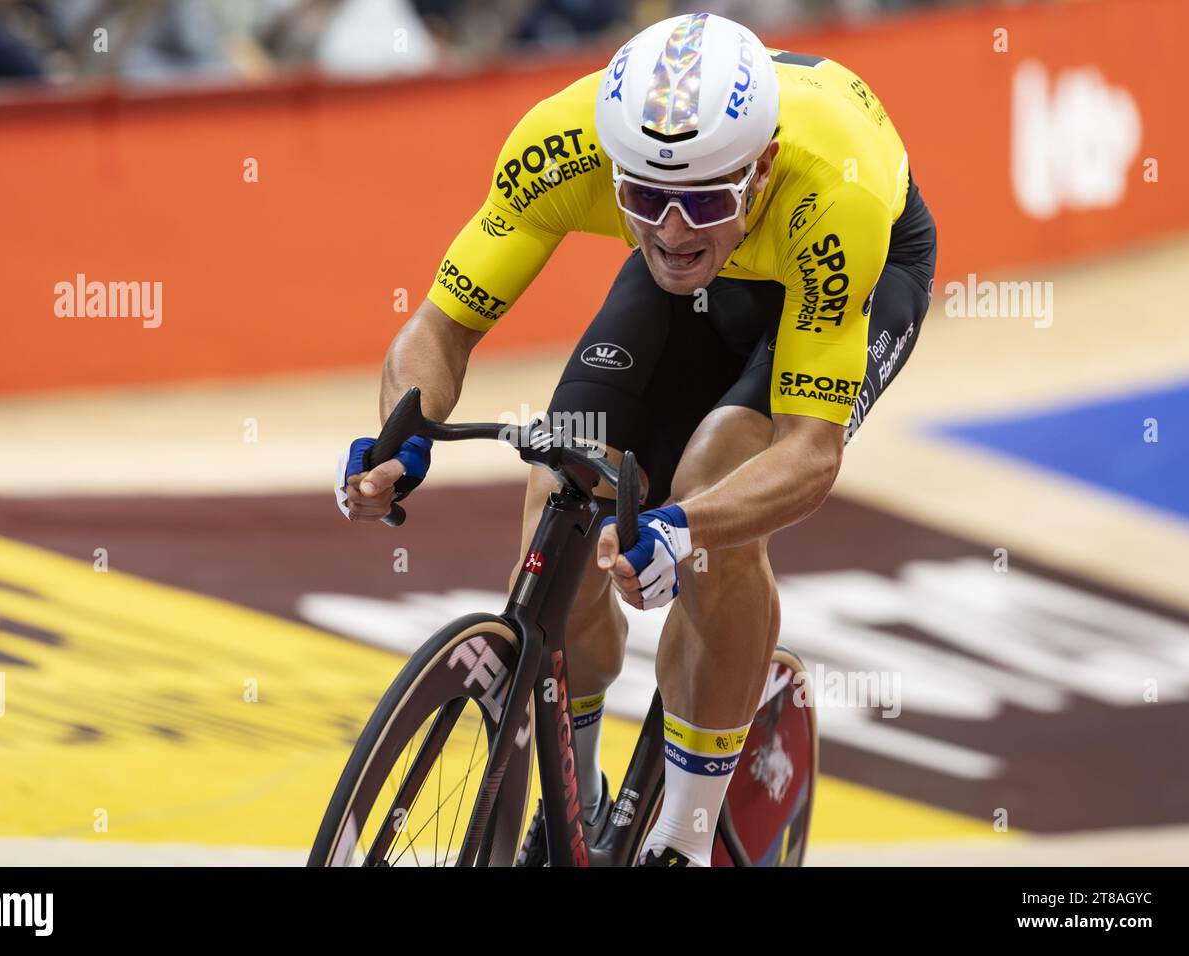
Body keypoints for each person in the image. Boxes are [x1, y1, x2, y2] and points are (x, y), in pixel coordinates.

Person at [338, 11, 936, 867]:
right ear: (616, 167)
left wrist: (687, 526)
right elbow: (440, 329)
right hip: (693, 289)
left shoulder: (832, 192)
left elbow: (809, 453)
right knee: (562, 477)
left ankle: (685, 839)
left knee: (715, 475)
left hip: (837, 271)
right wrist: (402, 434)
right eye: (646, 199)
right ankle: (569, 804)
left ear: (759, 167)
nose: (674, 228)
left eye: (701, 198)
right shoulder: (565, 144)